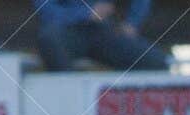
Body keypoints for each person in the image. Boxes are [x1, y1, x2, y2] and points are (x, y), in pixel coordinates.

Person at [35, 0, 166, 71]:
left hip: (102, 30)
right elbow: (46, 10)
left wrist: (132, 22)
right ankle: (69, 100)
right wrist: (86, 13)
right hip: (66, 31)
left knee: (155, 61)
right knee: (48, 39)